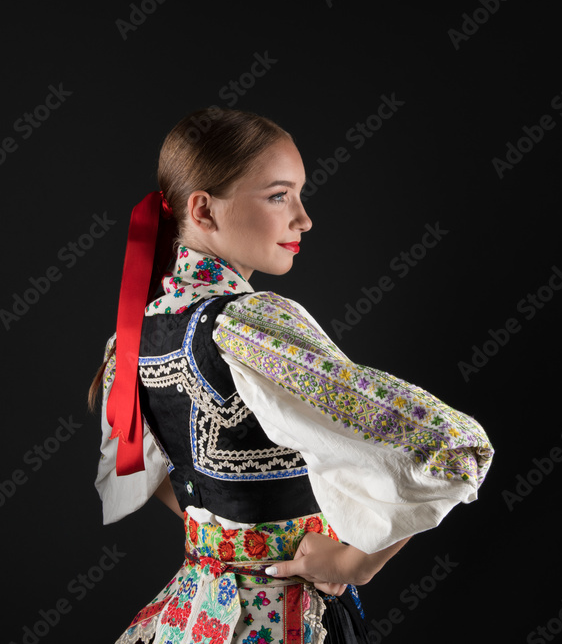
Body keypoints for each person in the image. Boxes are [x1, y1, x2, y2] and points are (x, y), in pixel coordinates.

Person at [88, 107, 494, 643]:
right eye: (279, 196)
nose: (303, 219)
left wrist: (228, 535)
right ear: (203, 210)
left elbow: (139, 466)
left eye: (299, 195)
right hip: (283, 621)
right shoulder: (250, 324)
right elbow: (454, 446)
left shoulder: (133, 333)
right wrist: (354, 562)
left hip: (189, 618)